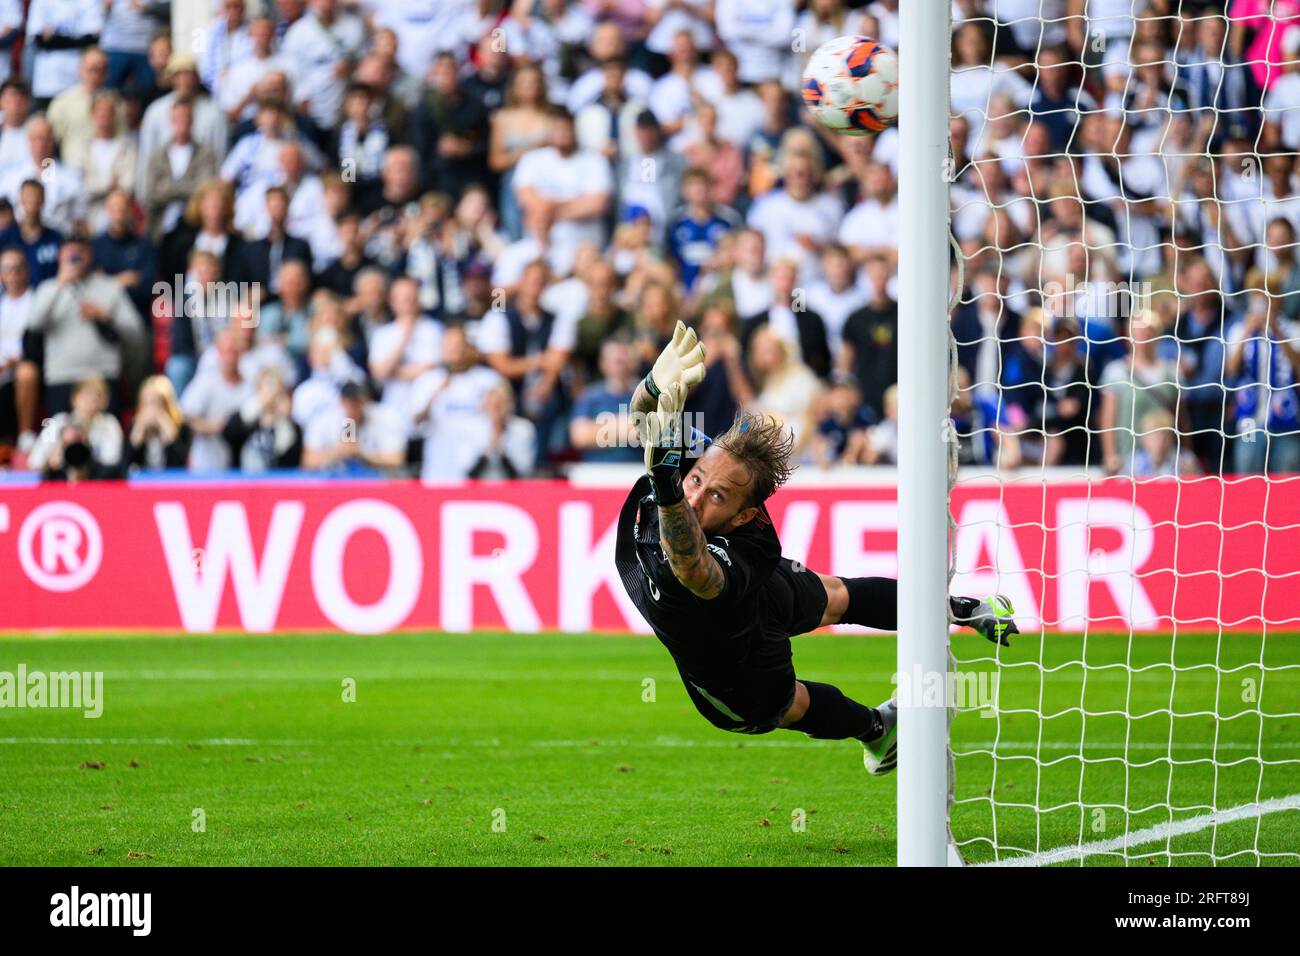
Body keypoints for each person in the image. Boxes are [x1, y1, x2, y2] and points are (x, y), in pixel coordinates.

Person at [615, 323, 1017, 771]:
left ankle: (966, 609)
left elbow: (693, 568)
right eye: (695, 480)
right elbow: (644, 419)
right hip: (726, 665)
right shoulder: (703, 464)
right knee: (788, 702)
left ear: (744, 515)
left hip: (740, 587)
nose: (696, 495)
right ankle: (877, 730)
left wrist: (667, 485)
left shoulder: (749, 544)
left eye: (717, 497)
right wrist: (652, 386)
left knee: (837, 597)